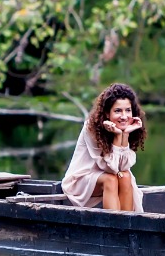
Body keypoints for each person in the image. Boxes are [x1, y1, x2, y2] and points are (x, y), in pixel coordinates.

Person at [62, 83, 147, 212]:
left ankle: (127, 222)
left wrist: (125, 135)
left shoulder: (126, 127)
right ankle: (114, 223)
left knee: (126, 177)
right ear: (107, 113)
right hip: (82, 180)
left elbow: (122, 168)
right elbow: (111, 169)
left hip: (111, 176)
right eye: (118, 111)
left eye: (128, 110)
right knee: (110, 179)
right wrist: (118, 137)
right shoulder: (92, 128)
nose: (124, 116)